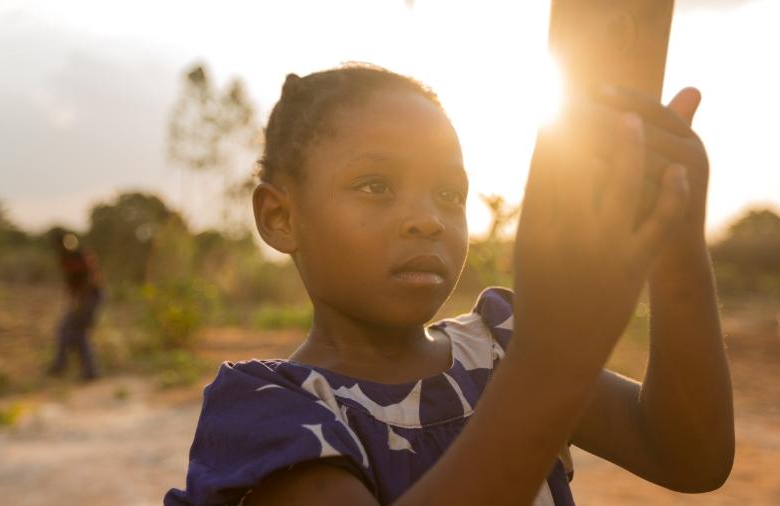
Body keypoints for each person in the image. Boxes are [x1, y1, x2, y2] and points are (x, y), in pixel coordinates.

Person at [164, 64, 733, 505]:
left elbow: (688, 457)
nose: (428, 219)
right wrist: (555, 356)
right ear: (281, 218)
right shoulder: (268, 416)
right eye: (375, 185)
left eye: (449, 194)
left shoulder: (502, 343)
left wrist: (677, 241)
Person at [47, 230, 103, 381]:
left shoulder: (80, 255)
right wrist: (73, 303)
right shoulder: (65, 258)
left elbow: (90, 280)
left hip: (90, 298)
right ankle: (82, 369)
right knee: (70, 331)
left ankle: (74, 368)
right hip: (84, 299)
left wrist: (80, 304)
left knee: (74, 331)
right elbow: (71, 285)